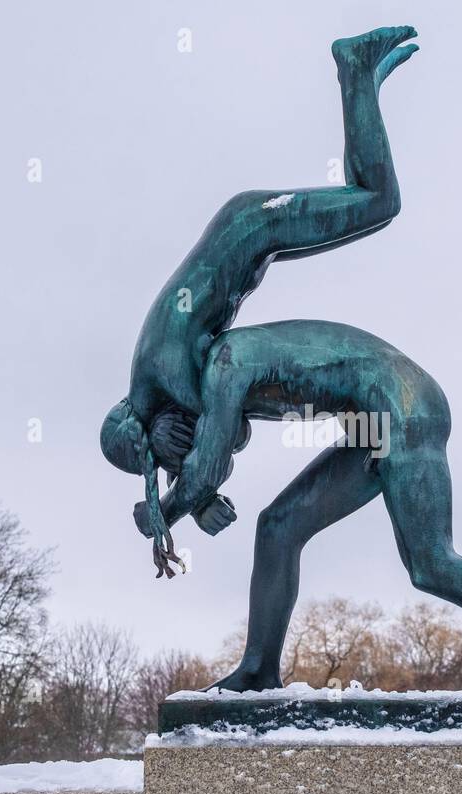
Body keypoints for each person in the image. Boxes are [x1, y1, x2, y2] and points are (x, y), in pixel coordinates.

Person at [124, 317, 462, 691]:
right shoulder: (220, 373)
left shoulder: (224, 364)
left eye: (178, 452)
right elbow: (212, 461)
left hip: (404, 405)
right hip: (370, 420)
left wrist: (159, 514)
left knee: (431, 564)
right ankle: (257, 671)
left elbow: (207, 467)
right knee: (277, 528)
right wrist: (191, 497)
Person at [101, 26, 420, 576]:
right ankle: (361, 87)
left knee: (377, 201)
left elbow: (221, 440)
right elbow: (226, 435)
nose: (173, 450)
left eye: (161, 452)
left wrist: (180, 505)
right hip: (251, 238)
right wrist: (187, 489)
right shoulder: (159, 375)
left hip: (253, 226)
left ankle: (355, 72)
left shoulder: (167, 374)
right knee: (365, 202)